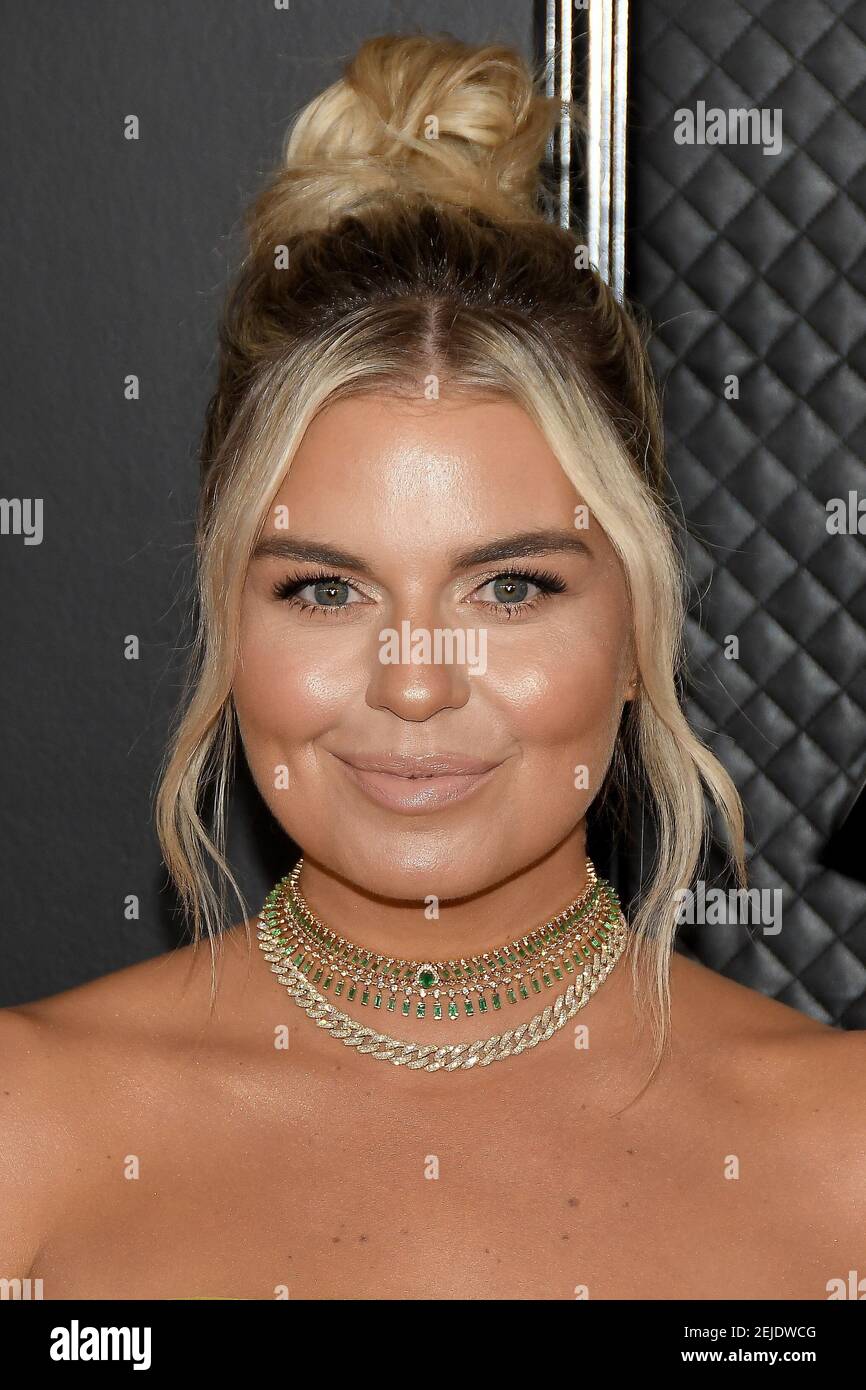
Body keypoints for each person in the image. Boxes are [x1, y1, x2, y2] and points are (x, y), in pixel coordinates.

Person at [1, 33, 863, 1302]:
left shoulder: (842, 1154)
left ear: (634, 631)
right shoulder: (26, 1129)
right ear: (228, 617)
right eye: (325, 588)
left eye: (510, 587)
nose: (413, 682)